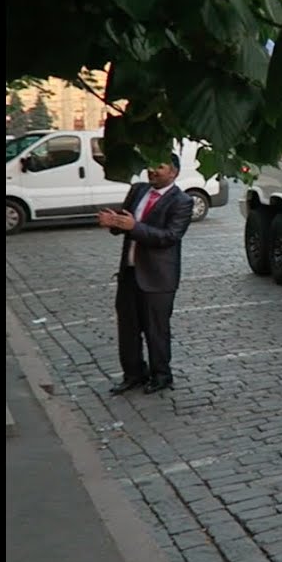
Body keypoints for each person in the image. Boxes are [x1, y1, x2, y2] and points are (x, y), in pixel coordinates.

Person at [98, 153, 194, 395]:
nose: (152, 171)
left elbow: (170, 237)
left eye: (159, 166)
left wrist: (135, 227)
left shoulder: (181, 201)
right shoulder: (138, 190)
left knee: (156, 329)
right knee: (127, 328)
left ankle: (161, 375)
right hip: (129, 272)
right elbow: (124, 223)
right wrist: (113, 222)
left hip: (158, 277)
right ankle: (133, 374)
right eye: (150, 166)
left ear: (173, 172)